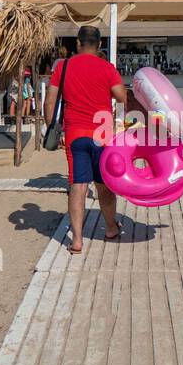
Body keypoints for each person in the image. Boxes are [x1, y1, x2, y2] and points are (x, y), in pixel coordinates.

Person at [44, 26, 129, 254]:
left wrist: (53, 127)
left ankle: (78, 240)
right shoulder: (107, 68)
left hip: (74, 135)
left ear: (78, 44)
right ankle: (111, 229)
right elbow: (122, 96)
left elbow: (49, 102)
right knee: (104, 185)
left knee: (77, 185)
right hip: (102, 134)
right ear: (99, 45)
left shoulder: (62, 66)